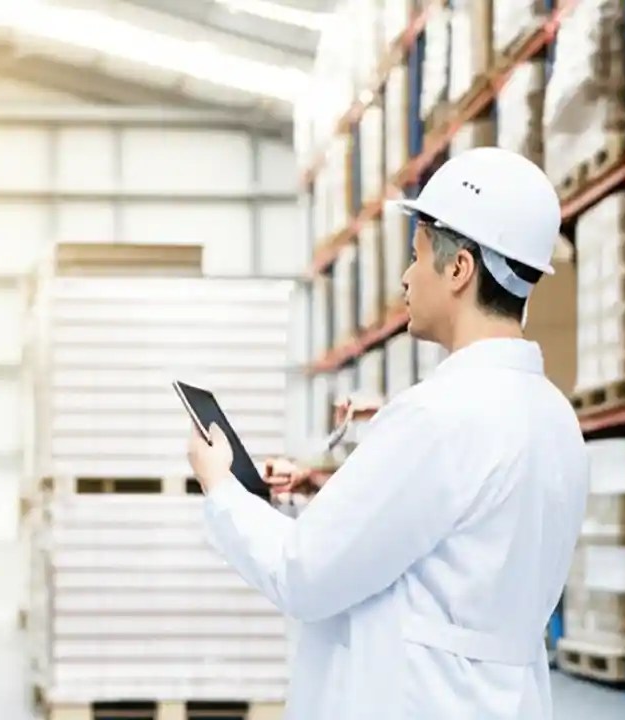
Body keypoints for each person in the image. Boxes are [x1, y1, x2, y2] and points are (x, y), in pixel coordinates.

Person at [187, 147, 589, 719]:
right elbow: (453, 557)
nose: (405, 276)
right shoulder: (552, 415)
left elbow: (302, 573)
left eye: (417, 255)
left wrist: (222, 488)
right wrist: (331, 490)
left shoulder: (438, 418)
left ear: (459, 269)